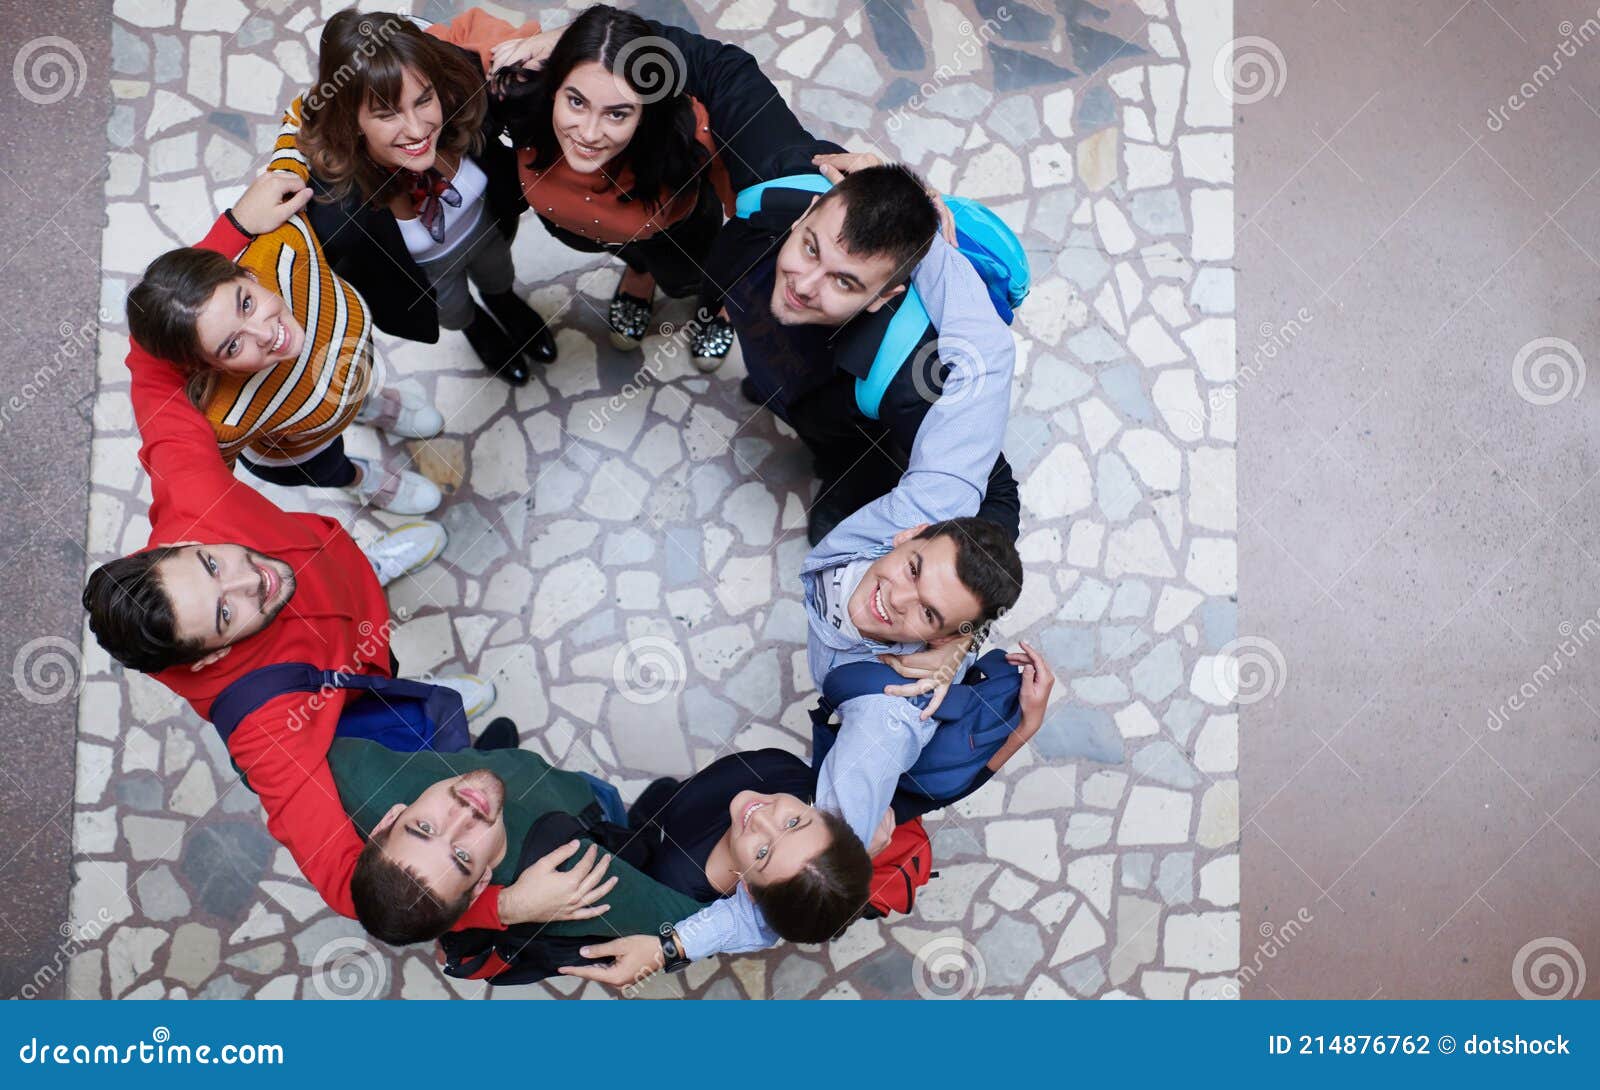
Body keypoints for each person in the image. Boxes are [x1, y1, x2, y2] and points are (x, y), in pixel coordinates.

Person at [81, 179, 508, 932]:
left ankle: (372, 569)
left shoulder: (190, 500)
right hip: (346, 670)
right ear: (211, 659)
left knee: (343, 567)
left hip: (336, 565)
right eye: (226, 613)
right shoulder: (267, 730)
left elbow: (152, 365)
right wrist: (498, 909)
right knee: (396, 695)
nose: (251, 575)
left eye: (212, 563)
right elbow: (355, 888)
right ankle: (423, 701)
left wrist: (233, 226)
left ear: (179, 541)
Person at [470, 4, 866, 371]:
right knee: (636, 258)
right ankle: (639, 277)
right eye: (575, 102)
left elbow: (749, 208)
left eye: (618, 113)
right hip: (584, 231)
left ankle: (719, 308)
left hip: (677, 234)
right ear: (554, 87)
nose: (588, 133)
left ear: (645, 113)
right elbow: (451, 43)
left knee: (701, 276)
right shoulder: (517, 87)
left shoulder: (690, 136)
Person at [702, 161, 1024, 544]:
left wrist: (954, 579)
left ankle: (841, 495)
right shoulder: (776, 191)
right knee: (776, 384)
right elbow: (725, 98)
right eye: (810, 249)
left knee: (853, 461)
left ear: (882, 297)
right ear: (807, 214)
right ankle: (774, 393)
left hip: (844, 421)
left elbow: (992, 483)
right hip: (778, 364)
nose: (803, 287)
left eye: (844, 281)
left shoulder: (916, 375)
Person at [125, 171, 443, 514]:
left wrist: (239, 220)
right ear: (208, 366)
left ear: (247, 273)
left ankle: (367, 405)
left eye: (246, 303)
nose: (266, 336)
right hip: (299, 446)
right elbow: (206, 490)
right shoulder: (226, 423)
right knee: (330, 468)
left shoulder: (282, 245)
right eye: (232, 345)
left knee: (352, 380)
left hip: (344, 371)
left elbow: (299, 140)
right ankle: (362, 480)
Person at [268, 9, 557, 387]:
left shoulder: (468, 105)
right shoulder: (338, 210)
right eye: (387, 114)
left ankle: (503, 301)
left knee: (499, 273)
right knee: (453, 311)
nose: (418, 130)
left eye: (423, 100)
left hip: (486, 233)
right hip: (429, 276)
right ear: (351, 120)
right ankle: (475, 327)